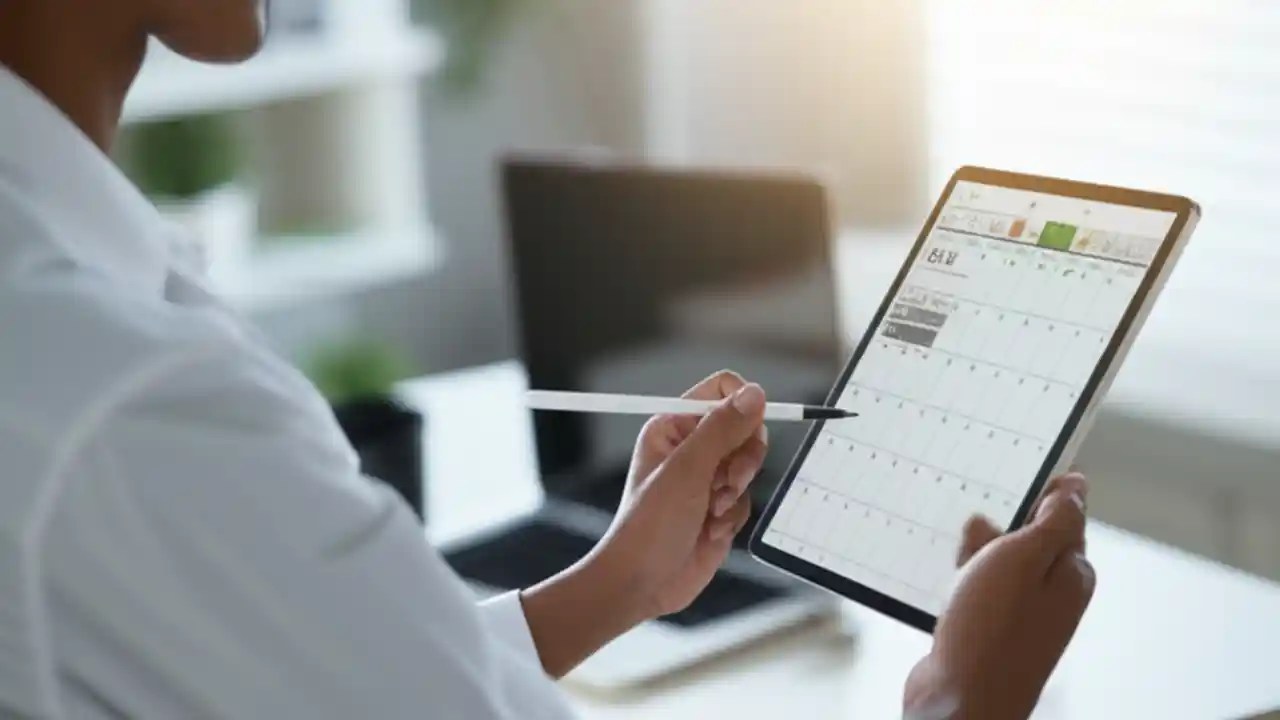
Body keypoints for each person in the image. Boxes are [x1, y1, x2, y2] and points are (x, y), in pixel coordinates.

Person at [0, 2, 1096, 718]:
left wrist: (617, 585)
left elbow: (353, 681)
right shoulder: (122, 401)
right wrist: (961, 696)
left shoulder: (77, 312)